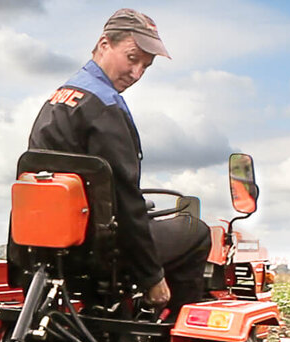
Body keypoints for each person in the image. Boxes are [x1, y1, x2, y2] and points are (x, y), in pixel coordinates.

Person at [28, 8, 209, 312]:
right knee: (196, 231)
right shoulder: (105, 107)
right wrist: (152, 276)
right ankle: (175, 334)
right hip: (99, 251)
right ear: (104, 45)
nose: (136, 73)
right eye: (132, 58)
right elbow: (125, 200)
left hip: (48, 249)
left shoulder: (58, 100)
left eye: (145, 67)